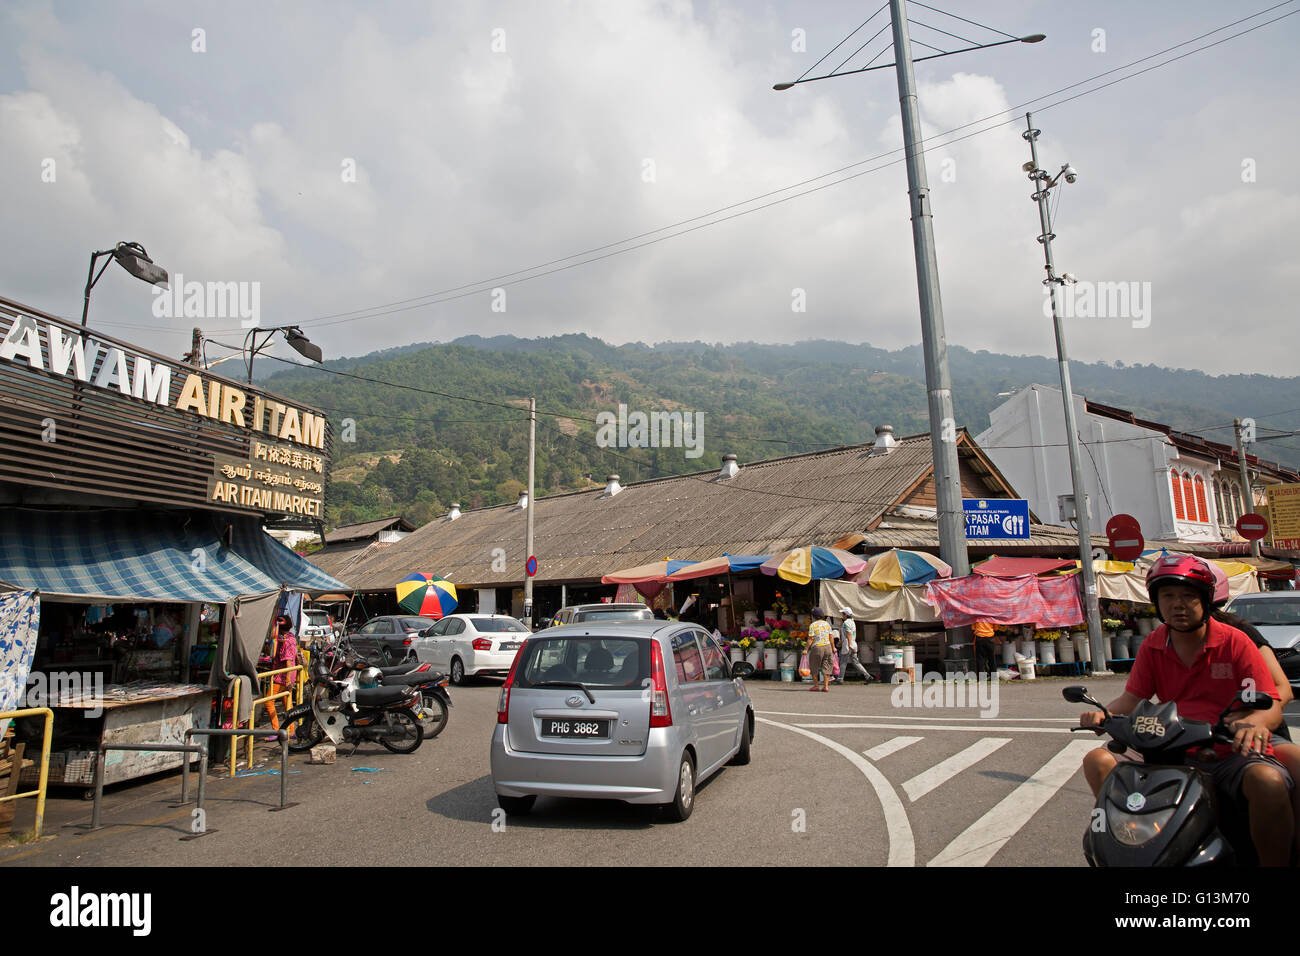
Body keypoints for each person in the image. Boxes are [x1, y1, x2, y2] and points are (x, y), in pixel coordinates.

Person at [1078, 554, 1293, 866]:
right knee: (1097, 759)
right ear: (1156, 601)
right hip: (1166, 747)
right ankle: (1130, 844)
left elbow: (1271, 702)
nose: (1177, 604)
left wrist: (1256, 723)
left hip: (1226, 748)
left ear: (1206, 601)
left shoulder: (1236, 642)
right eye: (1167, 596)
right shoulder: (1153, 644)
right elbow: (1130, 699)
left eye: (1187, 596)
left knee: (1268, 782)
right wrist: (1103, 715)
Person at [833, 608, 872, 684]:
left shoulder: (846, 623)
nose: (842, 616)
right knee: (856, 662)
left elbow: (848, 634)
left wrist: (848, 645)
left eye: (843, 614)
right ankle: (867, 676)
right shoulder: (852, 622)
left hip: (848, 646)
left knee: (843, 662)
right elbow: (847, 635)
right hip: (853, 644)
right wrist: (842, 642)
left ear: (846, 615)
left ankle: (840, 679)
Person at [806, 608, 835, 692]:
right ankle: (826, 686)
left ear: (813, 616)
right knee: (827, 665)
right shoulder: (827, 624)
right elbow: (831, 637)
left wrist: (806, 649)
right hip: (828, 646)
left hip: (817, 647)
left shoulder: (813, 625)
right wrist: (833, 647)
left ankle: (816, 686)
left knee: (814, 666)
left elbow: (811, 639)